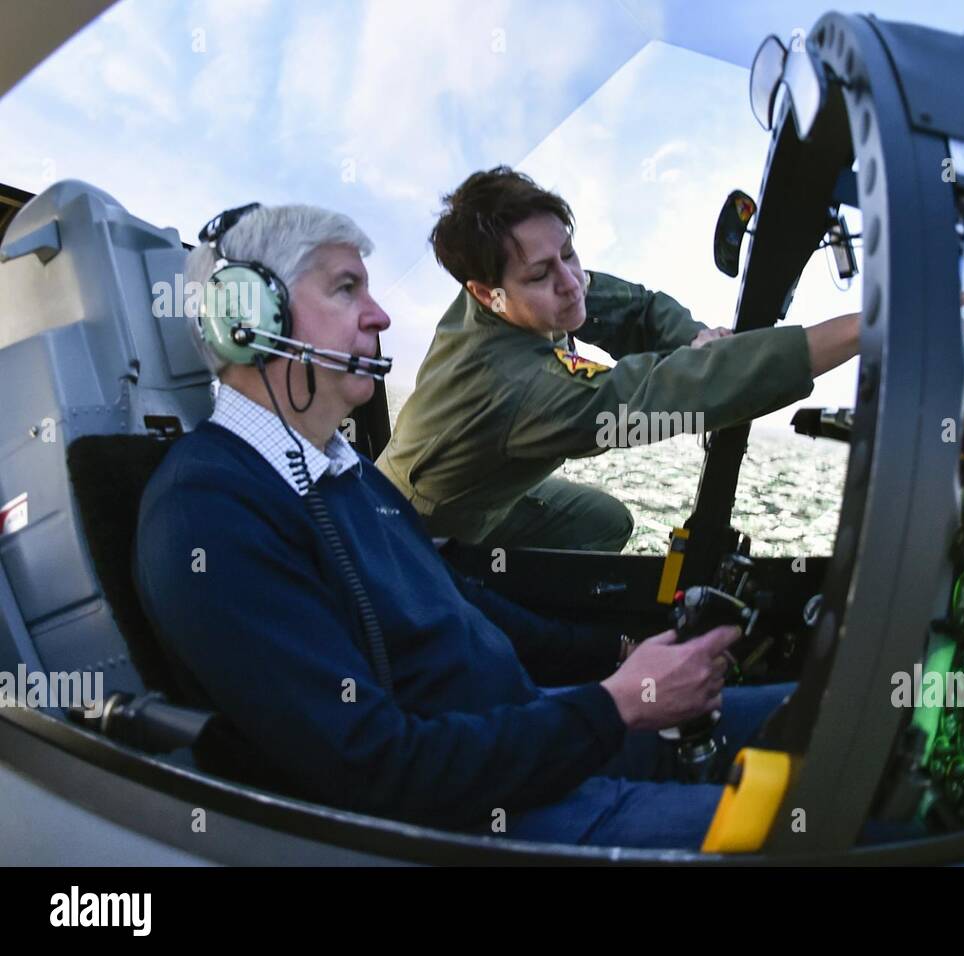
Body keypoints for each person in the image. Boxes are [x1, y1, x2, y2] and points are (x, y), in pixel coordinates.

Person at [133, 202, 793, 849]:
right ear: (247, 320)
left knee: (824, 720)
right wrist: (617, 706)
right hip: (475, 814)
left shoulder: (342, 472)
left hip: (526, 738)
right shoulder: (207, 512)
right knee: (825, 822)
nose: (381, 313)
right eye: (345, 288)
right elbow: (375, 768)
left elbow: (458, 599)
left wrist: (611, 658)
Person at [376, 166, 867, 552]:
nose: (572, 283)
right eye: (541, 274)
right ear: (486, 295)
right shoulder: (515, 385)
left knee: (603, 523)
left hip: (476, 495)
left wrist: (699, 340)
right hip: (411, 534)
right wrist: (865, 328)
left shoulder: (514, 290)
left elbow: (637, 309)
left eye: (568, 254)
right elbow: (659, 398)